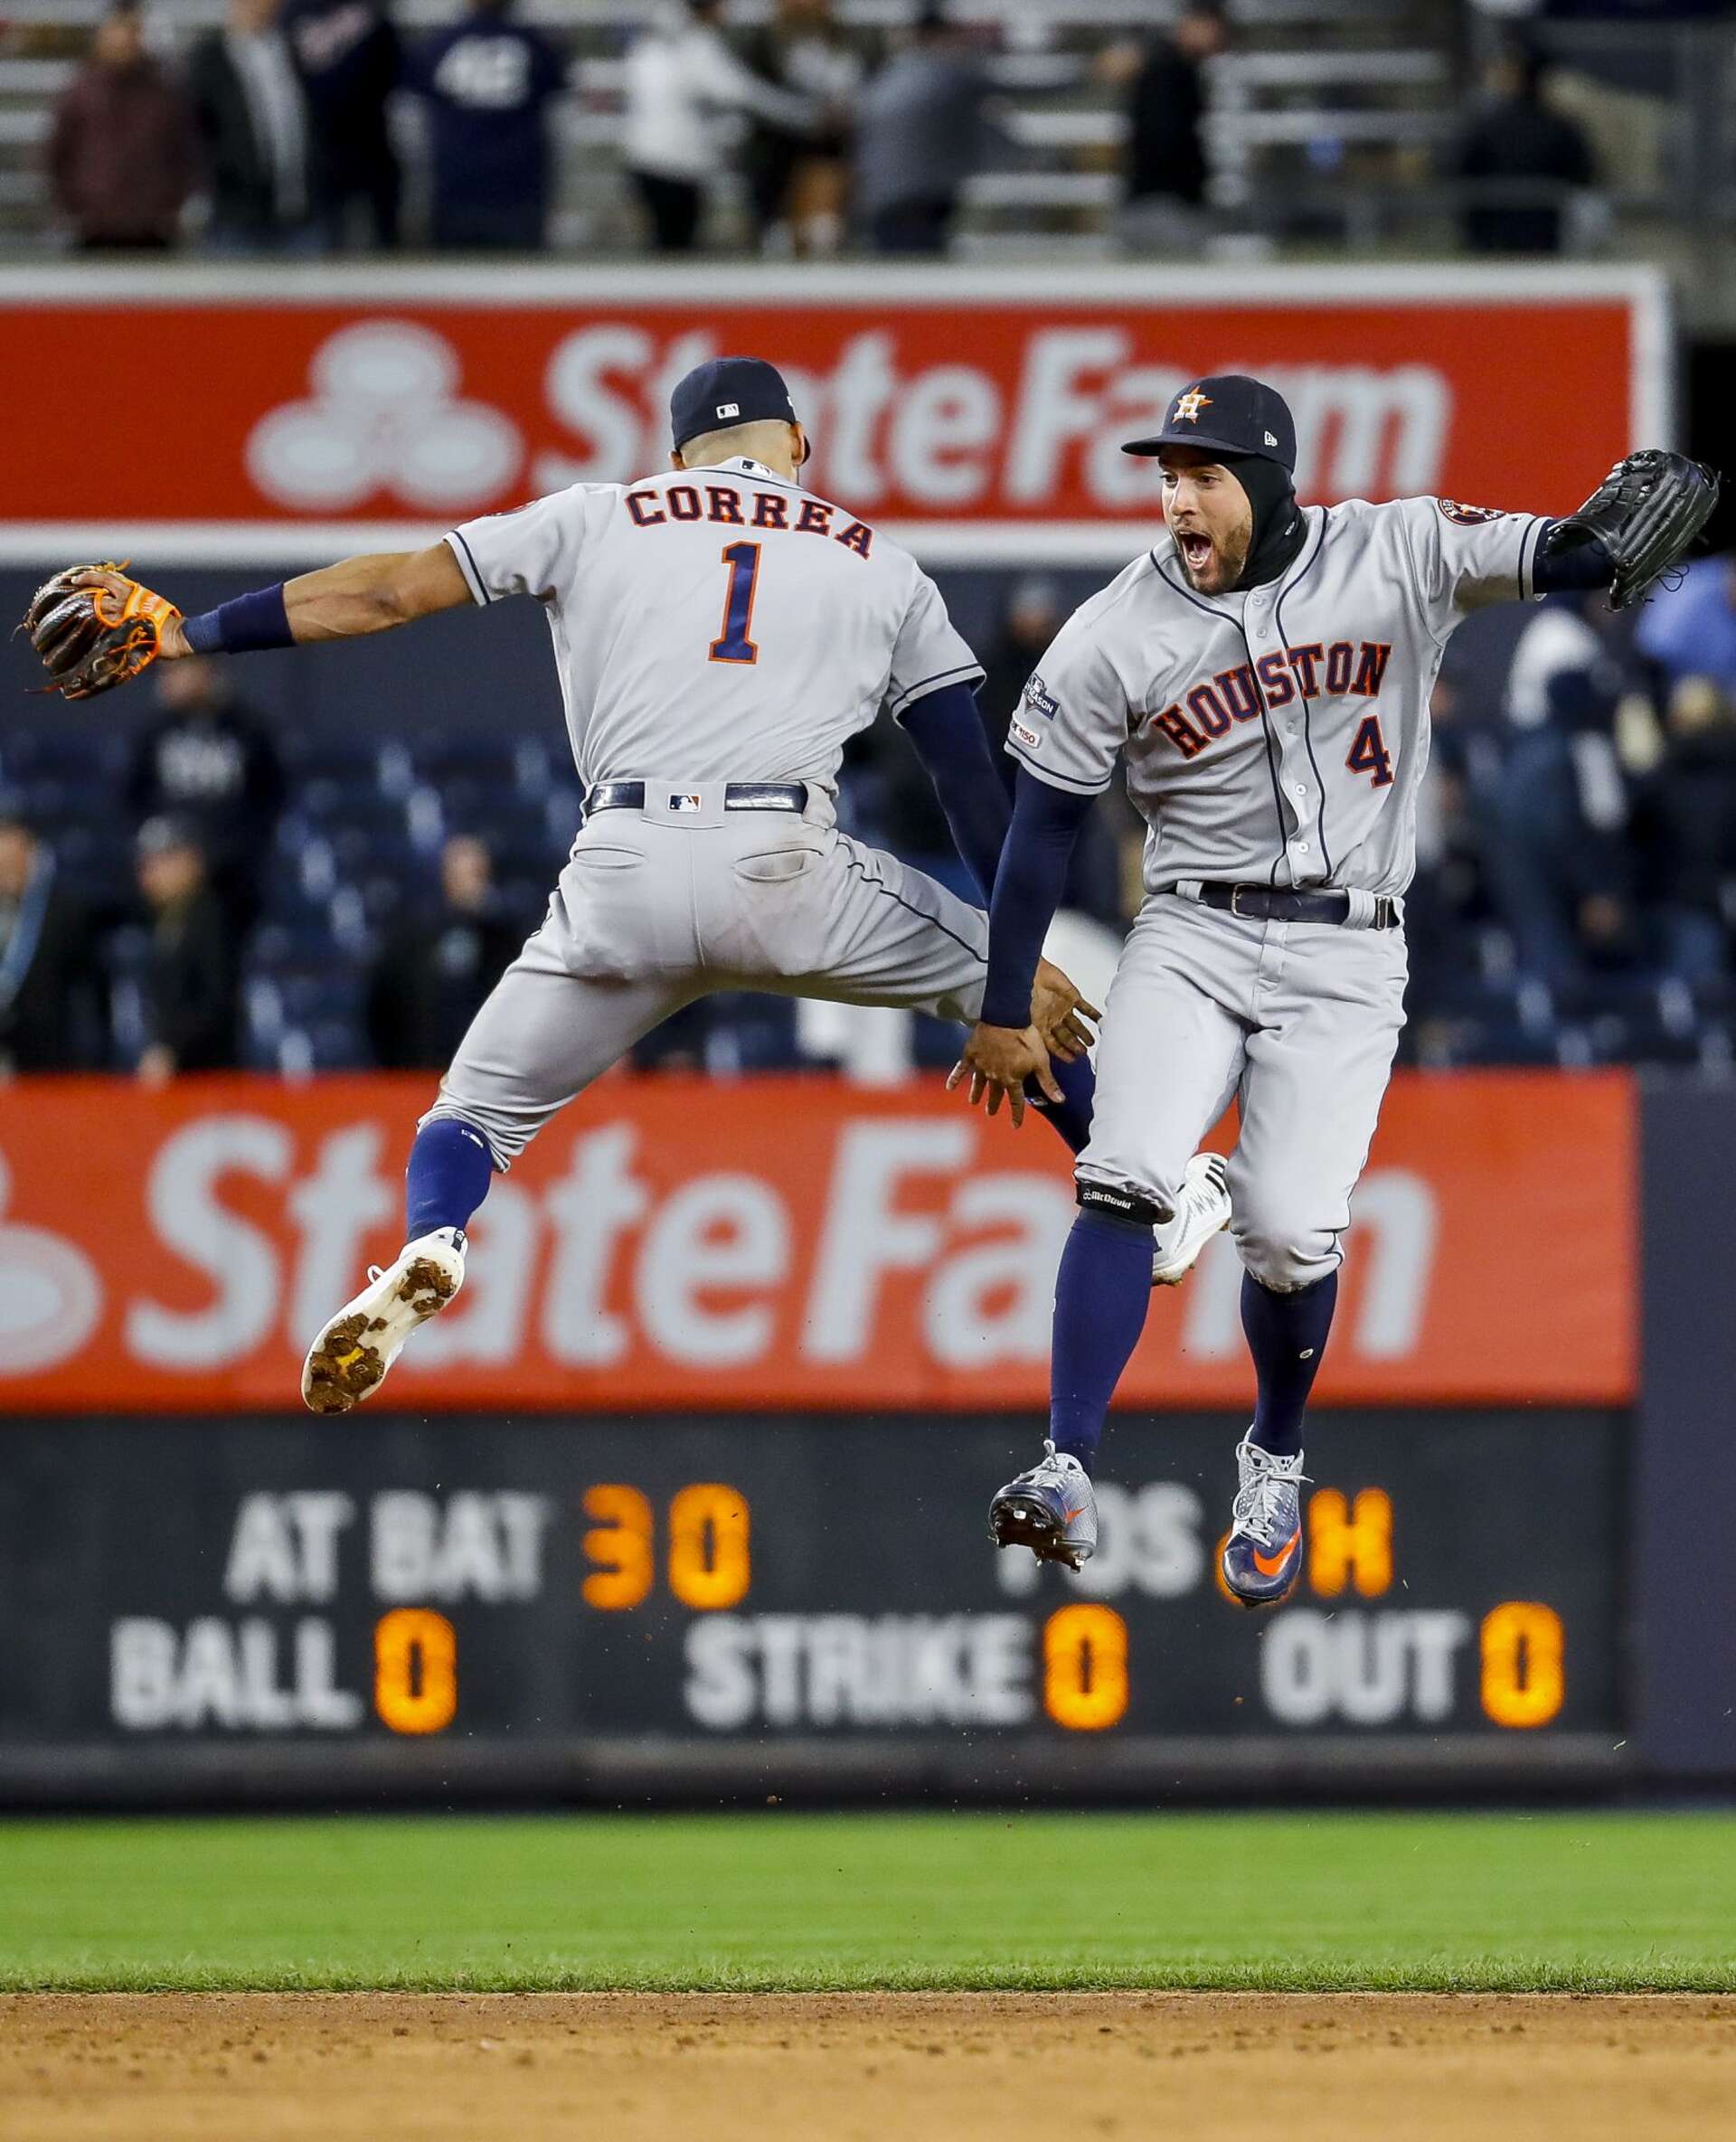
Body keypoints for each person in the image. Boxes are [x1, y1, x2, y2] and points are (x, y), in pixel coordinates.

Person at [37, 357, 1232, 1413]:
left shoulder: (600, 514)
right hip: (788, 868)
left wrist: (190, 634)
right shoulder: (881, 563)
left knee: (468, 1116)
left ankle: (432, 1240)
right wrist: (1006, 990)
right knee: (1027, 987)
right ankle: (1153, 1202)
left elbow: (393, 591)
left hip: (620, 873)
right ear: (798, 452)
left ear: (677, 456)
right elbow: (977, 795)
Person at [951, 373, 1710, 1593]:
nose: (1177, 500)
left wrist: (1593, 550)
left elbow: (1563, 555)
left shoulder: (1397, 549)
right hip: (1192, 927)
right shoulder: (1115, 630)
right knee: (1123, 1171)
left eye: (1200, 475)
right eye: (1167, 476)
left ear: (1261, 477)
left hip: (1351, 943)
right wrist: (1001, 1004)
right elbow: (1040, 830)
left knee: (1294, 1236)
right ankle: (1066, 1463)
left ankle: (1275, 1454)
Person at [620, 0, 816, 254]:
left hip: (644, 156)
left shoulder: (653, 42)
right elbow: (743, 92)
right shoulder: (696, 46)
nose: (728, 13)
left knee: (665, 245)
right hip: (675, 166)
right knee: (675, 249)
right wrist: (806, 116)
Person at [125, 655, 285, 925]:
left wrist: (210, 860)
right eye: (165, 673)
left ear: (207, 670)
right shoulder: (153, 734)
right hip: (164, 877)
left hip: (231, 882)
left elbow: (269, 801)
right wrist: (158, 857)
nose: (169, 680)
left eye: (177, 670)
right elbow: (132, 802)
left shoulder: (248, 729)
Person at [410, 0, 565, 250]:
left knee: (453, 283)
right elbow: (557, 112)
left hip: (456, 185)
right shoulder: (535, 44)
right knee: (518, 282)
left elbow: (415, 115)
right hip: (517, 187)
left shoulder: (438, 44)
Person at [47, 1, 197, 251]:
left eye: (132, 30)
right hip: (94, 232)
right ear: (103, 34)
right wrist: (75, 211)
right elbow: (56, 156)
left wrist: (170, 207)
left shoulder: (163, 91)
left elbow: (185, 153)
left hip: (153, 231)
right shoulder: (80, 91)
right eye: (118, 30)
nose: (124, 39)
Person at [853, 4, 999, 256]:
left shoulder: (889, 75)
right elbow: (1014, 87)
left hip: (884, 197)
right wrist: (1084, 76)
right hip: (913, 200)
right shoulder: (943, 72)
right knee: (914, 274)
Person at [367, 833, 523, 1069]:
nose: (468, 883)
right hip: (420, 1071)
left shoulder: (505, 942)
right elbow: (383, 1009)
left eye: (475, 874)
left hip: (487, 1076)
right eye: (459, 874)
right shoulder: (413, 940)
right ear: (444, 876)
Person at [739, 0, 865, 256]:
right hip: (777, 152)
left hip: (826, 149)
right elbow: (755, 95)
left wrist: (839, 110)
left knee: (822, 227)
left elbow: (852, 88)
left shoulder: (841, 43)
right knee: (779, 232)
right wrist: (809, 117)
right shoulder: (765, 43)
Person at [187, 0, 315, 251]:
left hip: (296, 210)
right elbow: (195, 132)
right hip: (236, 216)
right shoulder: (209, 59)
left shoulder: (293, 53)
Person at [1099, 1, 1227, 251]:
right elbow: (1164, 139)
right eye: (1214, 27)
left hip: (1157, 202)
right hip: (1166, 206)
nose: (1219, 36)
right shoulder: (1167, 67)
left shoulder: (1173, 65)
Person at [1452, 39, 1597, 256]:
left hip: (1496, 243)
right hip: (1542, 242)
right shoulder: (1561, 128)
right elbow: (1584, 178)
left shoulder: (1486, 128)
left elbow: (1463, 178)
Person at [283, 0, 402, 250]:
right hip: (314, 155)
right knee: (323, 249)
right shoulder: (293, 14)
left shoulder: (374, 15)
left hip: (372, 152)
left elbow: (392, 77)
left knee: (383, 251)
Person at [133, 816, 240, 1082]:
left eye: (163, 861)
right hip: (183, 1073)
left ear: (192, 862)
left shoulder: (210, 919)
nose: (151, 873)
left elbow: (215, 1002)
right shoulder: (167, 921)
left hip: (208, 1074)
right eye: (147, 864)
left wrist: (171, 1049)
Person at [0, 805, 103, 1075]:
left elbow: (87, 993)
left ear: (31, 853)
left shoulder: (65, 912)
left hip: (50, 1059)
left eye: (12, 862)